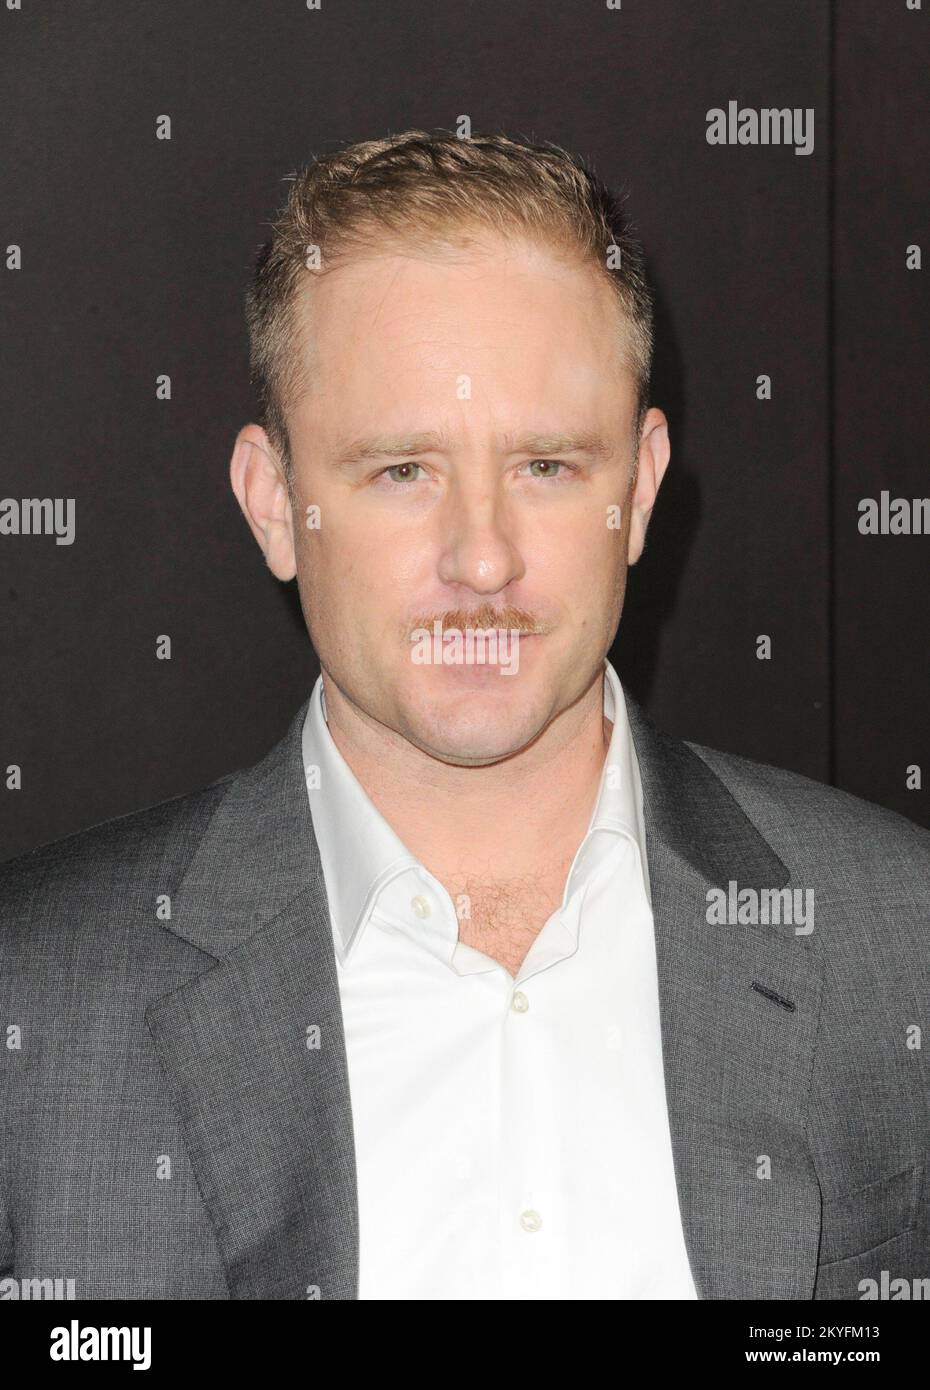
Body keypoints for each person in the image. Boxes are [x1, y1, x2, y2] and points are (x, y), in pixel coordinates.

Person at [1, 131, 927, 1301]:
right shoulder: (29, 1009)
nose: (482, 558)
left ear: (636, 492)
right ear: (276, 506)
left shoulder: (903, 952)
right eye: (403, 471)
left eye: (546, 465)